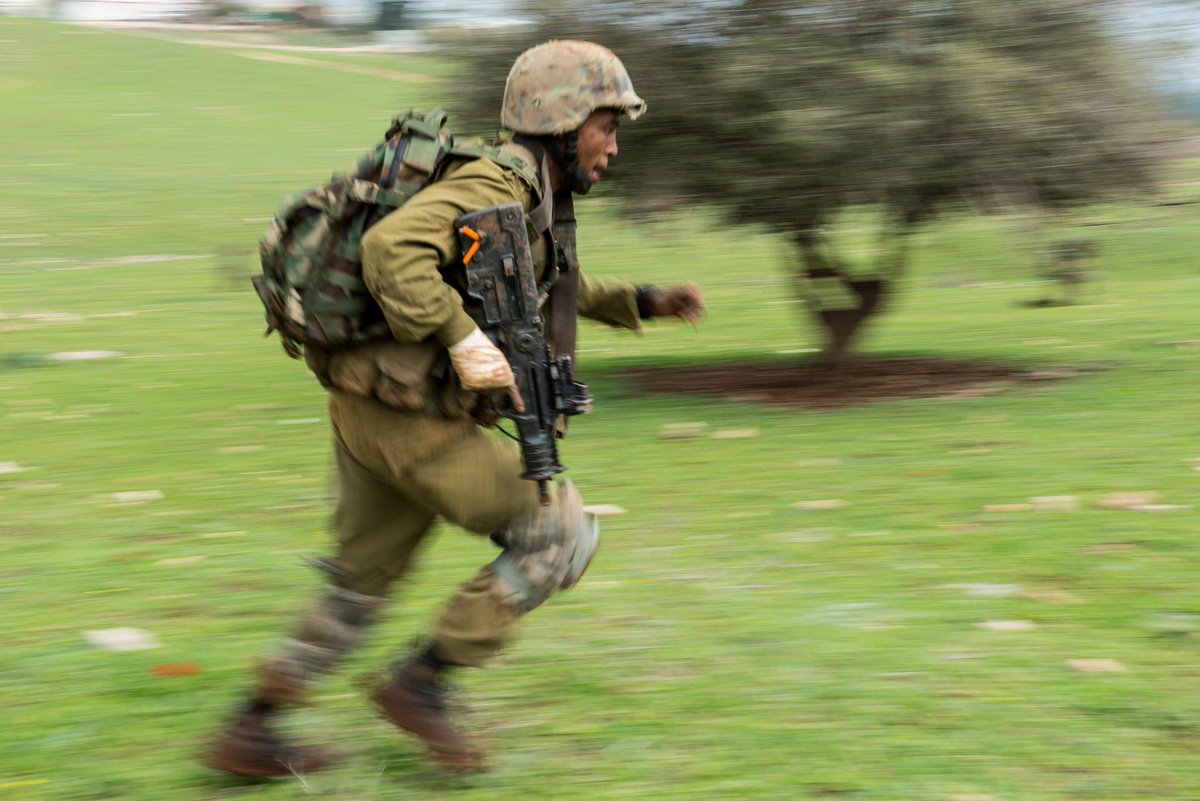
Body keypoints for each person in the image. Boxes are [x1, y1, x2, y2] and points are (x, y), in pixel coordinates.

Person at [208, 39, 704, 778]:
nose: (614, 146)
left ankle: (249, 729)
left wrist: (641, 301)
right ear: (563, 119)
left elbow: (540, 280)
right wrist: (464, 341)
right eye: (607, 125)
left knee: (359, 586)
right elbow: (390, 249)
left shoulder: (525, 196)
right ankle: (422, 684)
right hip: (413, 421)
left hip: (372, 410)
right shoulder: (495, 184)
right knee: (558, 536)